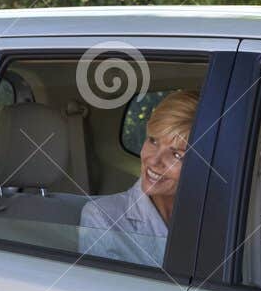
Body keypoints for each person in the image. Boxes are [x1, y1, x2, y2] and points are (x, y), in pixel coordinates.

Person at [79, 90, 199, 266]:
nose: (154, 160)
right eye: (153, 141)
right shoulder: (102, 217)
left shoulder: (225, 216)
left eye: (176, 155)